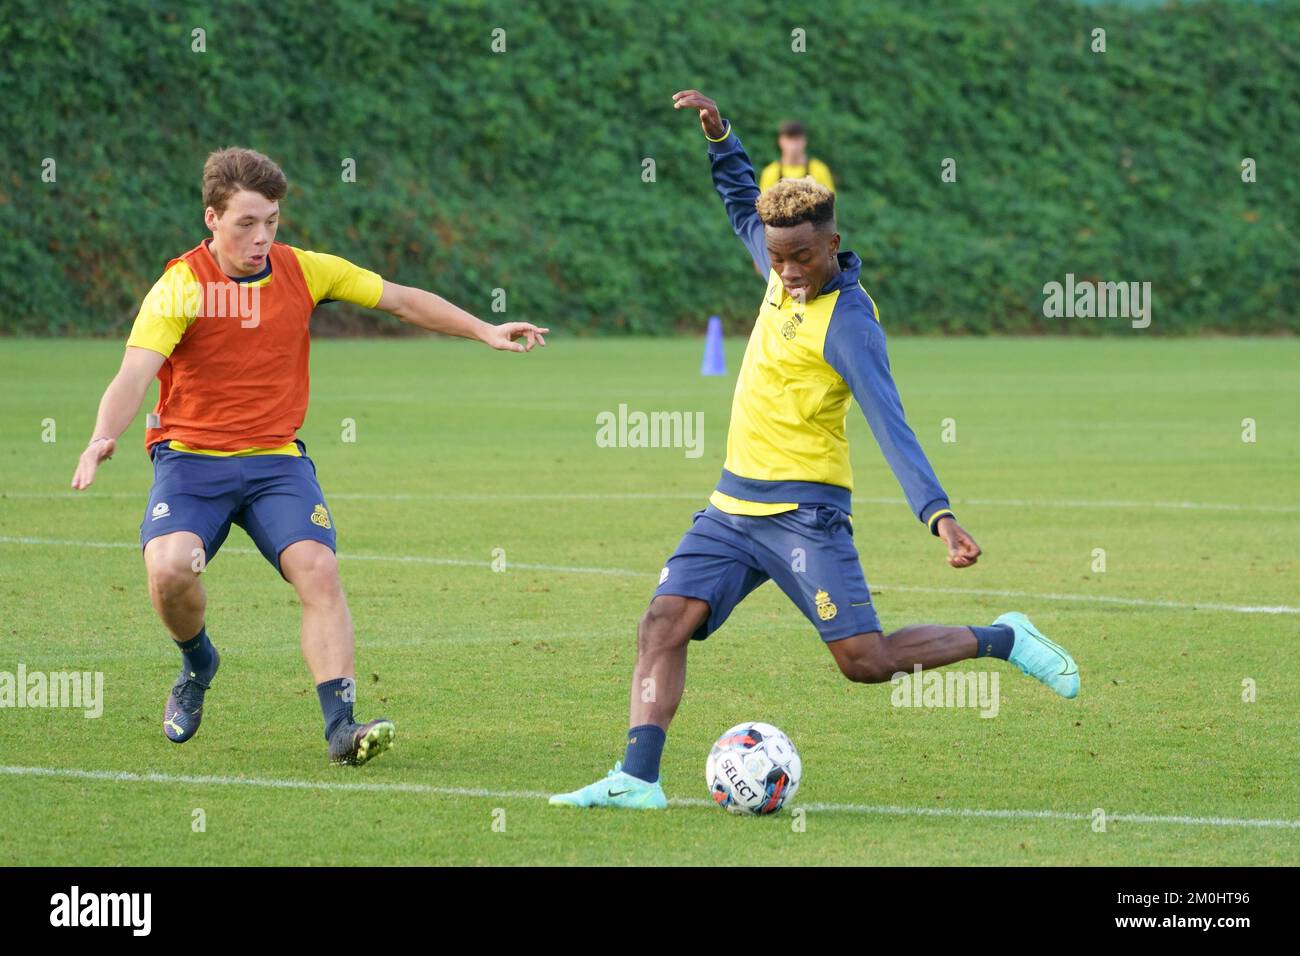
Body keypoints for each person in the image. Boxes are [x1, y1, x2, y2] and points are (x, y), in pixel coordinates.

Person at [550, 91, 1077, 810]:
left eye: (801, 257)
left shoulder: (851, 324)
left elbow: (890, 421)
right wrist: (720, 137)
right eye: (777, 258)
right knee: (661, 622)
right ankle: (637, 779)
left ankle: (1004, 639)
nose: (788, 272)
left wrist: (938, 514)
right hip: (731, 507)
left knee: (866, 662)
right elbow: (743, 203)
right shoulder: (774, 262)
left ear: (832, 244)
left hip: (805, 514)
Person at [70, 146, 548, 766]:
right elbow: (135, 372)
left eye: (271, 221)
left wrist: (484, 329)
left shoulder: (306, 270)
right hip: (191, 462)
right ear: (211, 218)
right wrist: (102, 435)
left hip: (276, 464)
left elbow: (400, 299)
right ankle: (198, 662)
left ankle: (341, 730)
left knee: (318, 570)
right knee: (168, 573)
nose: (262, 236)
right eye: (246, 223)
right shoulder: (182, 286)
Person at [759, 119, 836, 193]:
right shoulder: (770, 172)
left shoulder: (819, 170)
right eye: (789, 139)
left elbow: (829, 201)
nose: (793, 145)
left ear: (805, 140)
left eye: (797, 139)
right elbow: (763, 204)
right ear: (781, 141)